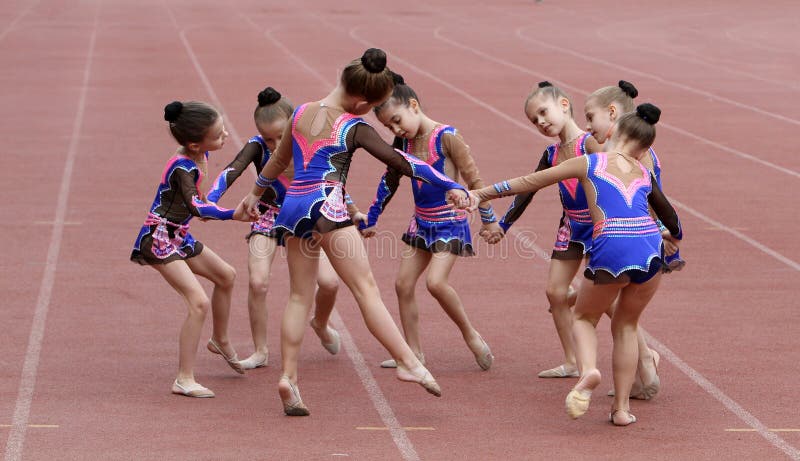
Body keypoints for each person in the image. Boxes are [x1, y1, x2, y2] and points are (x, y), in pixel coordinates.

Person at [240, 49, 471, 416]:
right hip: (328, 206)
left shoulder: (299, 112)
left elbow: (278, 161)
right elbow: (402, 161)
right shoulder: (353, 126)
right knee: (366, 290)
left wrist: (254, 194)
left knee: (299, 297)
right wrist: (448, 184)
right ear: (362, 101)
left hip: (293, 207)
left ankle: (288, 376)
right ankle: (408, 362)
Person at [468, 103, 681, 425]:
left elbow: (531, 181)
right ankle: (622, 409)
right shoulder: (643, 172)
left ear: (614, 133)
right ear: (644, 148)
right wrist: (674, 237)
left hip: (612, 245)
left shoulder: (590, 162)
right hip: (650, 249)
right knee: (626, 326)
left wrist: (480, 193)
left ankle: (589, 370)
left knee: (583, 316)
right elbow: (670, 217)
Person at [357, 73, 498, 371]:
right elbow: (389, 182)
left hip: (450, 221)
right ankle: (413, 353)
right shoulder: (402, 146)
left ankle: (471, 335)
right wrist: (372, 217)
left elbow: (475, 180)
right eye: (389, 126)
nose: (396, 129)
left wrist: (487, 221)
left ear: (413, 105)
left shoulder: (447, 136)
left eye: (397, 120)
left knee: (435, 283)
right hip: (421, 223)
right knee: (402, 284)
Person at [206, 87, 342, 370]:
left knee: (329, 282)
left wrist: (351, 211)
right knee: (257, 282)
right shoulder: (257, 147)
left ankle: (321, 323)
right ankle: (260, 350)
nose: (274, 144)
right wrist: (210, 200)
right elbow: (232, 170)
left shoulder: (309, 145)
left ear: (294, 125)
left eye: (281, 137)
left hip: (306, 216)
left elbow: (333, 180)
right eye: (269, 138)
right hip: (268, 217)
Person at [131, 101, 252, 398]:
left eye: (223, 129)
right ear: (195, 144)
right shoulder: (183, 168)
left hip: (178, 234)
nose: (225, 135)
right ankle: (184, 378)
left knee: (226, 275)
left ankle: (220, 339)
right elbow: (196, 206)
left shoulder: (200, 152)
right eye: (218, 134)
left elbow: (205, 196)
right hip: (159, 238)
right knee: (198, 302)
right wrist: (230, 213)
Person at [584, 80, 685, 399]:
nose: (588, 127)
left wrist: (663, 234)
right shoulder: (616, 150)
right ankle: (639, 365)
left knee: (615, 308)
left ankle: (644, 359)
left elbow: (651, 202)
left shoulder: (635, 156)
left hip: (637, 239)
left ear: (612, 114)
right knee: (612, 307)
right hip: (620, 235)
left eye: (591, 117)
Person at [497, 81, 602, 378]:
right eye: (534, 120)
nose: (541, 122)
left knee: (607, 302)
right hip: (571, 226)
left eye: (543, 112)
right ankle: (572, 361)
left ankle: (643, 358)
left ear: (564, 105)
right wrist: (504, 224)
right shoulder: (551, 153)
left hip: (598, 226)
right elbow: (527, 190)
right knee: (555, 292)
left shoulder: (590, 143)